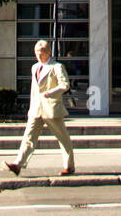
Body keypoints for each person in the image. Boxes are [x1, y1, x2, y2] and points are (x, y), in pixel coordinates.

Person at [5, 39, 75, 176]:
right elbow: (34, 90)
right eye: (36, 52)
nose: (38, 55)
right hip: (36, 109)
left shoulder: (57, 67)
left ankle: (69, 166)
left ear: (48, 52)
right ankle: (18, 164)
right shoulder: (34, 67)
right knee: (28, 137)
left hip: (51, 109)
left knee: (63, 138)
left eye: (41, 52)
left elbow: (65, 85)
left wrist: (52, 92)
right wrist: (31, 108)